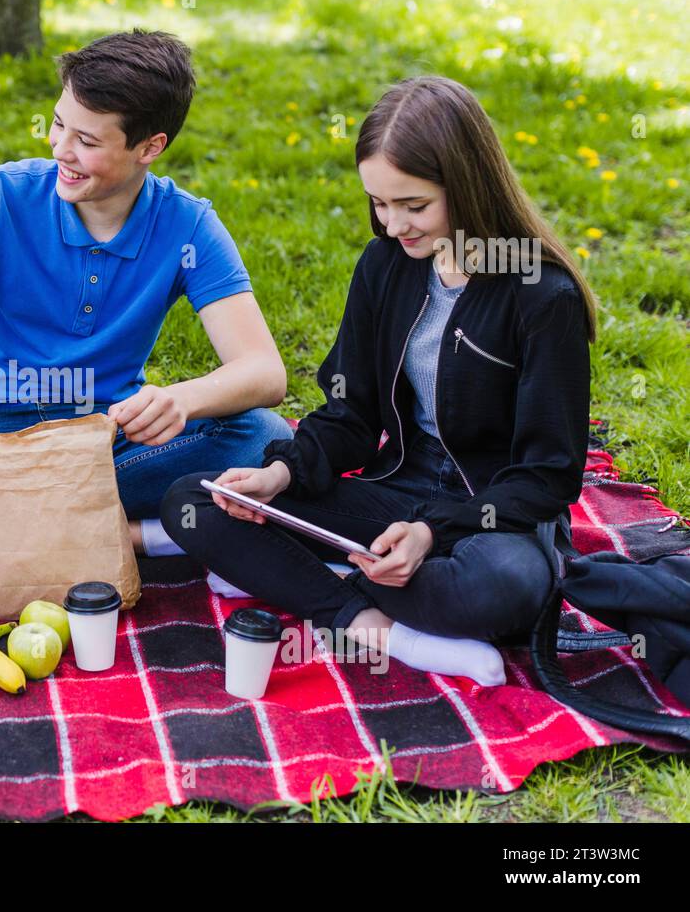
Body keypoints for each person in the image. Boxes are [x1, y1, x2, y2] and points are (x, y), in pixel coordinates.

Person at [162, 75, 598, 686]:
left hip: (491, 519)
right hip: (398, 489)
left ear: (467, 185)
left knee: (501, 588)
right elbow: (351, 413)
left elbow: (549, 475)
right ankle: (374, 625)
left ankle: (303, 572)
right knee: (195, 501)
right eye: (379, 203)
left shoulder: (541, 295)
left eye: (414, 205)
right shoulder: (386, 265)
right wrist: (279, 473)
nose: (393, 225)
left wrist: (431, 532)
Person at [0, 30, 289, 579]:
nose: (61, 148)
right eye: (59, 123)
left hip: (104, 438)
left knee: (265, 436)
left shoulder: (188, 225)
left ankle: (38, 530)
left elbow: (265, 372)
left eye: (88, 140)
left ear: (149, 147)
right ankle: (126, 536)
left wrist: (182, 399)